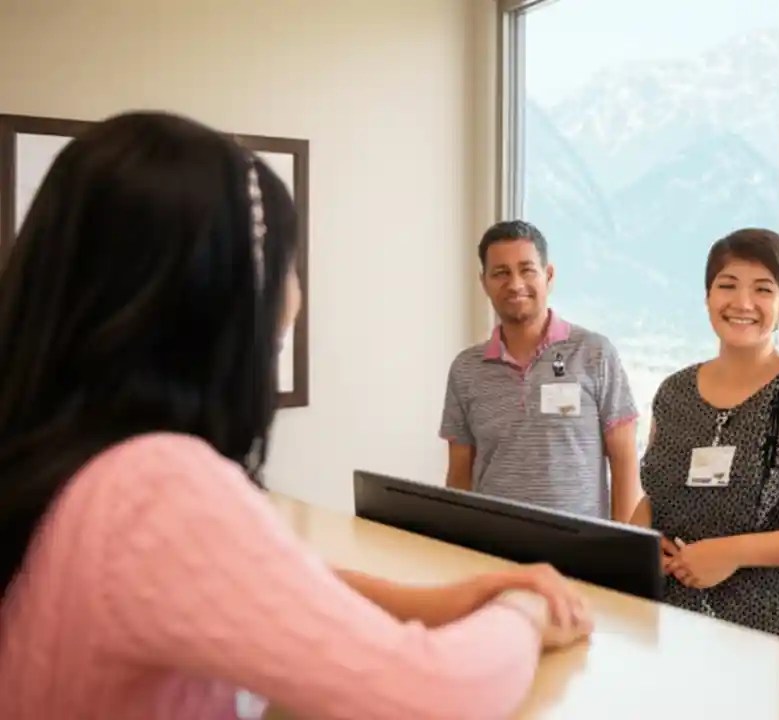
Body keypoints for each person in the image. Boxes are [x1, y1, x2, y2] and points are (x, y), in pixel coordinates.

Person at [0, 112, 593, 720]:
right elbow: (429, 692)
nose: (294, 297)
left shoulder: (73, 460)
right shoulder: (156, 485)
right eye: (288, 267)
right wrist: (523, 614)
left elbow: (262, 584)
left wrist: (456, 597)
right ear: (221, 293)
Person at [630, 228, 779, 645]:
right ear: (707, 297)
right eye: (727, 286)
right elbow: (657, 495)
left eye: (763, 289)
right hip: (672, 622)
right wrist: (642, 539)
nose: (742, 303)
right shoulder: (673, 393)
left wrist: (732, 552)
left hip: (772, 632)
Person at [440, 220, 641, 521]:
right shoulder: (466, 369)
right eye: (501, 273)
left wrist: (624, 553)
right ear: (484, 282)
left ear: (548, 276)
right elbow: (459, 475)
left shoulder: (594, 353)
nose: (515, 284)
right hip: (492, 548)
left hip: (580, 552)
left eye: (527, 270)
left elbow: (624, 462)